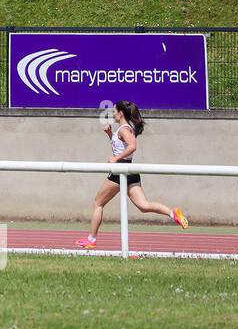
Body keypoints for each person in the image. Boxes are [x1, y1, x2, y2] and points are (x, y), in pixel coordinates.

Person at [76, 101, 189, 249]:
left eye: (115, 112)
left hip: (120, 170)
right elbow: (121, 147)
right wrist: (110, 134)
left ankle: (91, 239)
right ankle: (172, 213)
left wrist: (116, 159)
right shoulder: (124, 129)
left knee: (98, 203)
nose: (113, 114)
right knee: (144, 206)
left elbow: (132, 146)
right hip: (130, 169)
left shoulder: (124, 129)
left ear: (121, 113)